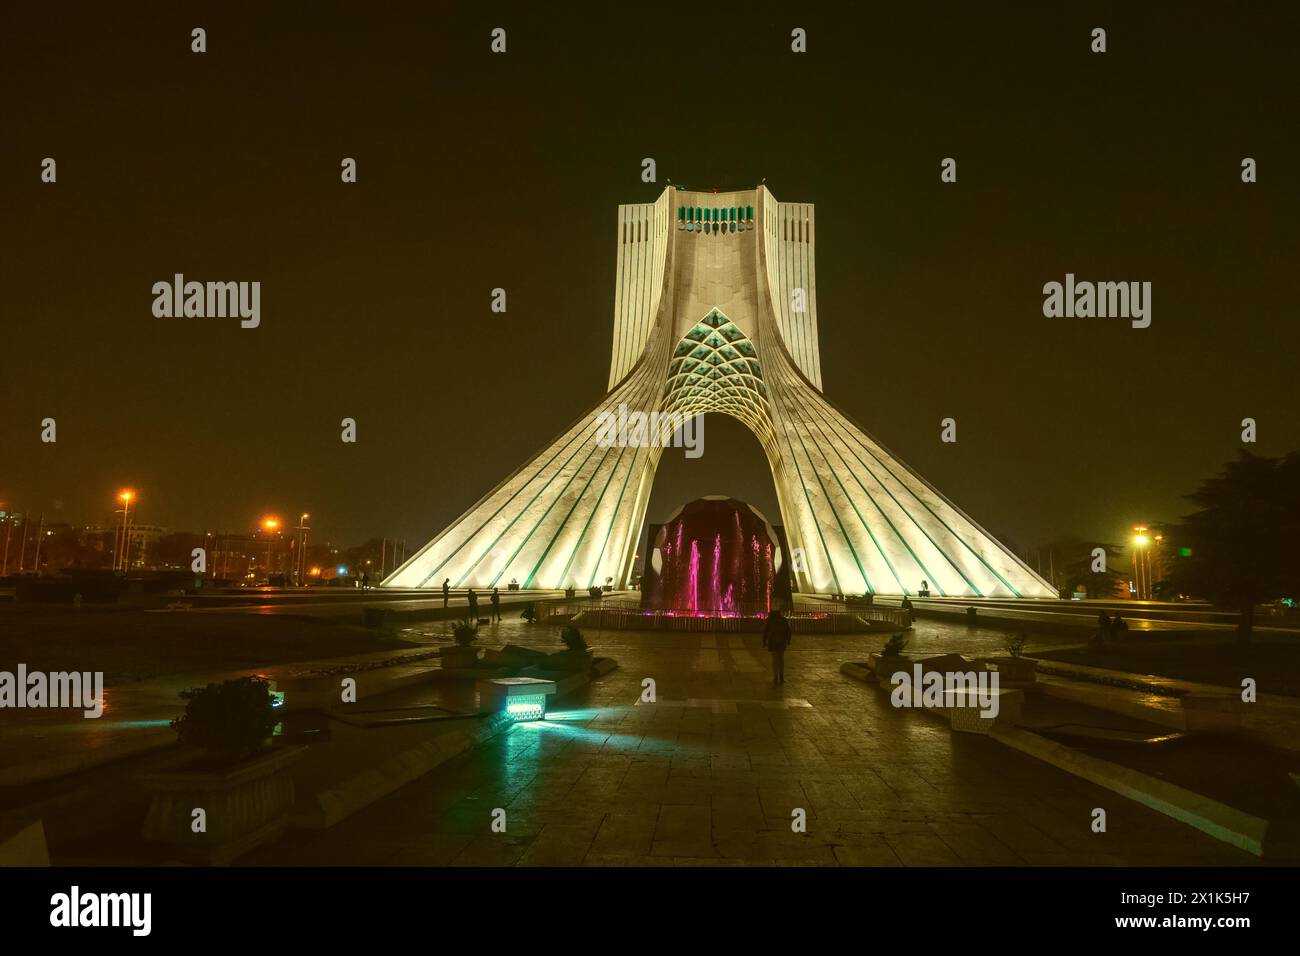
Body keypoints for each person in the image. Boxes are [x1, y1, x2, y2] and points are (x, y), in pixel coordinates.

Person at [762, 608, 792, 686]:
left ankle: (775, 678)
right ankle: (781, 677)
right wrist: (788, 640)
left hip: (773, 641)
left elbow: (766, 631)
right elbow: (788, 631)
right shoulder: (783, 619)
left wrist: (764, 641)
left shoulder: (770, 620)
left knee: (774, 660)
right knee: (781, 659)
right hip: (782, 641)